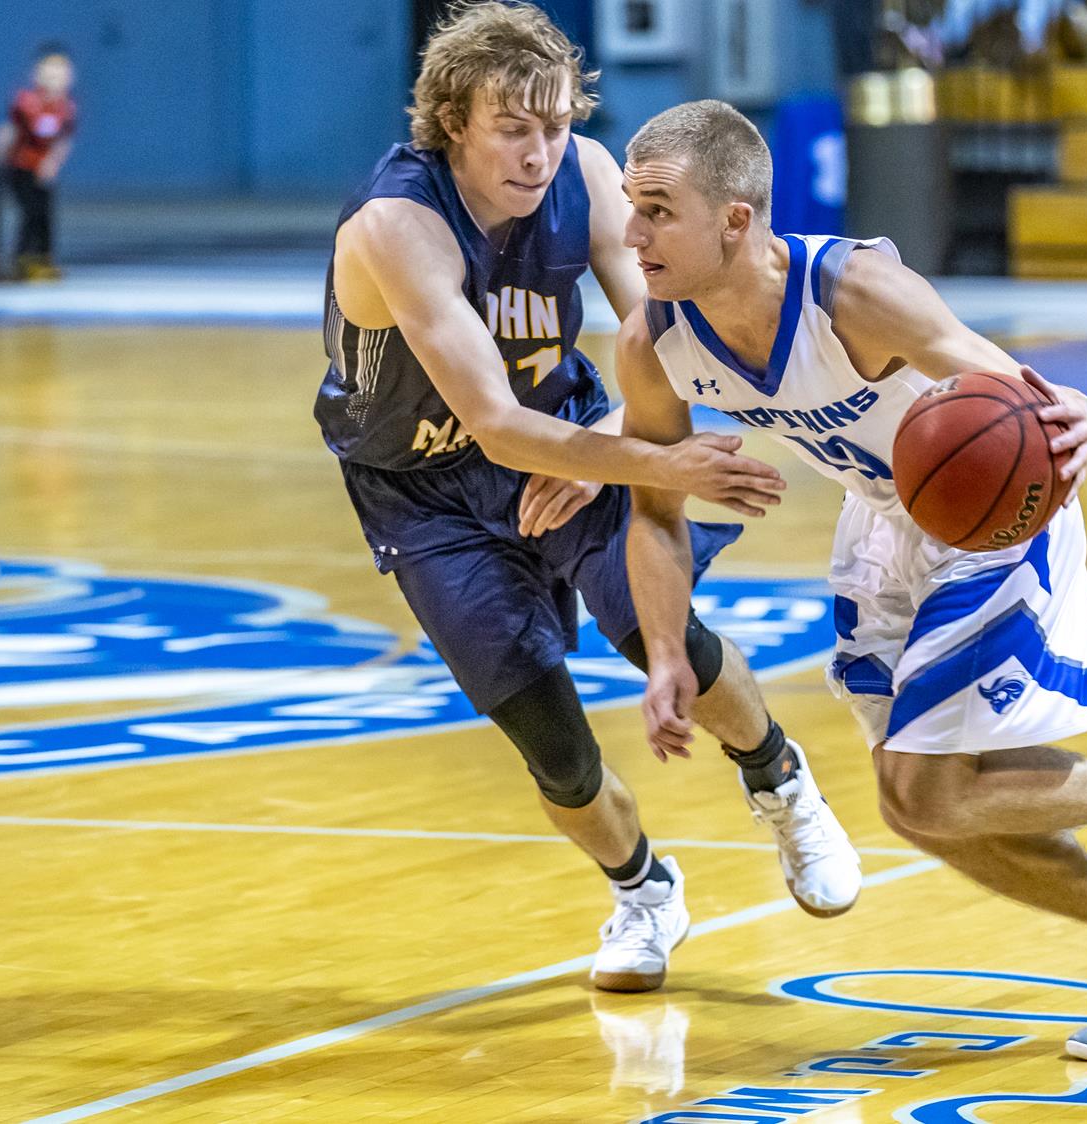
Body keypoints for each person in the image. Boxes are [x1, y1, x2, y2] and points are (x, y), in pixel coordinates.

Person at [615, 100, 1087, 1060]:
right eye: (631, 207)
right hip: (885, 527)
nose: (631, 235)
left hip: (990, 519)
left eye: (658, 212)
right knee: (922, 810)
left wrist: (1074, 404)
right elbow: (654, 510)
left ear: (735, 219)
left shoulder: (855, 292)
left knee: (927, 794)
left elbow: (1014, 390)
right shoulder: (655, 345)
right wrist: (667, 650)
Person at [314, 3, 862, 993]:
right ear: (452, 123)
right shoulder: (398, 225)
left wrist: (609, 448)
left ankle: (780, 780)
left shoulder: (589, 176)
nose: (540, 152)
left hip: (564, 432)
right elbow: (492, 422)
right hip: (425, 491)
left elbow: (662, 337)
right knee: (554, 749)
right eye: (512, 129)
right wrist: (661, 465)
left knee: (659, 630)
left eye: (557, 124)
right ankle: (645, 890)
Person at [0, 44, 76, 281]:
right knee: (29, 213)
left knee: (45, 213)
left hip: (44, 171)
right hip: (21, 167)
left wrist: (52, 163)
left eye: (61, 74)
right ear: (37, 75)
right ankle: (22, 258)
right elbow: (8, 131)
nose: (55, 79)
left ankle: (43, 257)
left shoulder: (66, 108)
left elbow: (63, 140)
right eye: (50, 73)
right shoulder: (26, 102)